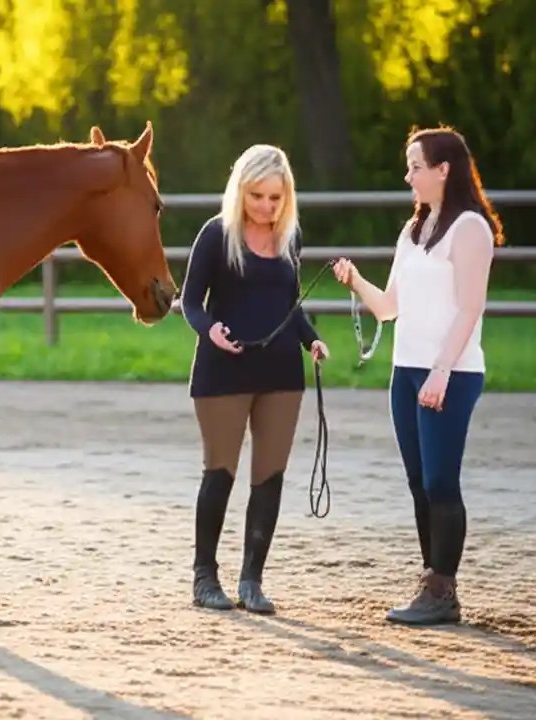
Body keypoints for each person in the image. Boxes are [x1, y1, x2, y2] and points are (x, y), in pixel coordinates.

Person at [332, 126, 504, 625]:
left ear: (443, 169)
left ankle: (441, 591)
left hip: (449, 373)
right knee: (417, 483)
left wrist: (442, 370)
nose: (407, 175)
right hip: (405, 371)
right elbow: (388, 309)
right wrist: (355, 279)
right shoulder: (412, 232)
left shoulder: (469, 228)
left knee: (440, 481)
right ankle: (434, 580)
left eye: (415, 166)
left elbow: (471, 308)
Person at [180, 144, 329, 615]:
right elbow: (190, 304)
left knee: (269, 477)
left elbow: (289, 305)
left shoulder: (291, 238)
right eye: (258, 196)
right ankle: (205, 577)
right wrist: (211, 331)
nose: (266, 207)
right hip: (222, 372)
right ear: (240, 190)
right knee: (220, 472)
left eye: (276, 198)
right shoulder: (215, 235)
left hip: (282, 373)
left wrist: (312, 340)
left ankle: (252, 580)